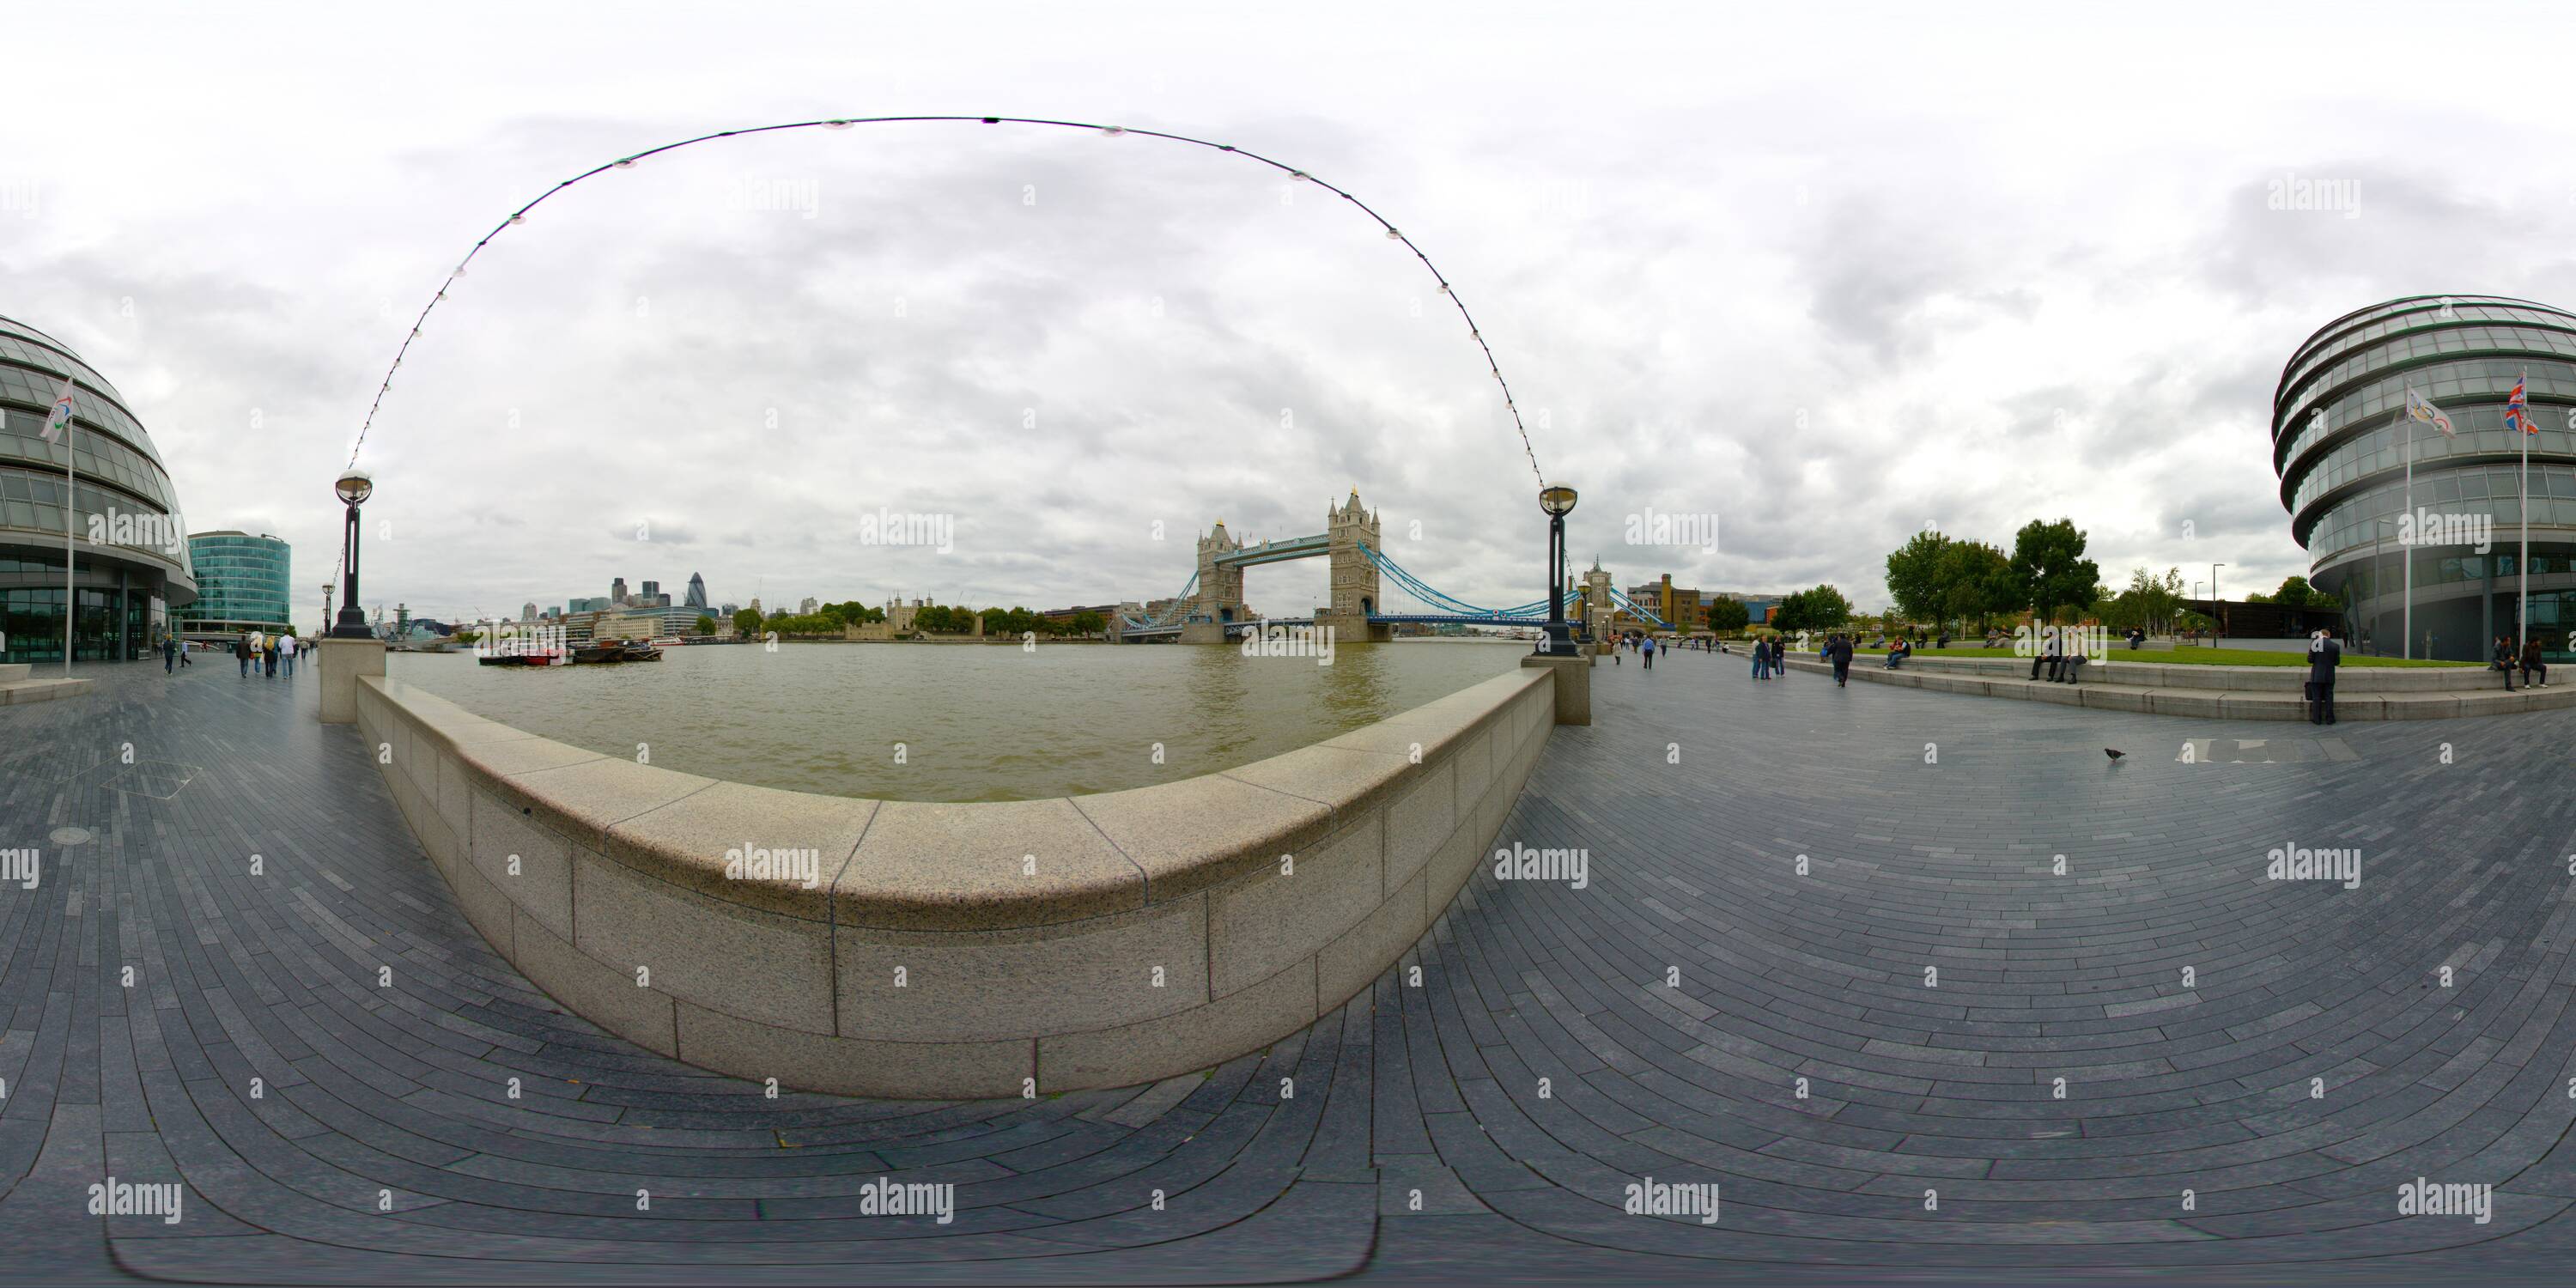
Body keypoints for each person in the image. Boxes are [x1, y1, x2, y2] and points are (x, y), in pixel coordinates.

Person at [2307, 627, 2342, 724]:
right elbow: (2337, 662)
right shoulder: (2335, 646)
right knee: (2329, 696)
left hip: (2317, 675)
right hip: (2329, 675)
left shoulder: (2315, 644)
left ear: (2320, 635)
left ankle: (2317, 719)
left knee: (2316, 697)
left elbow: (2310, 660)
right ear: (2329, 635)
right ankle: (2330, 718)